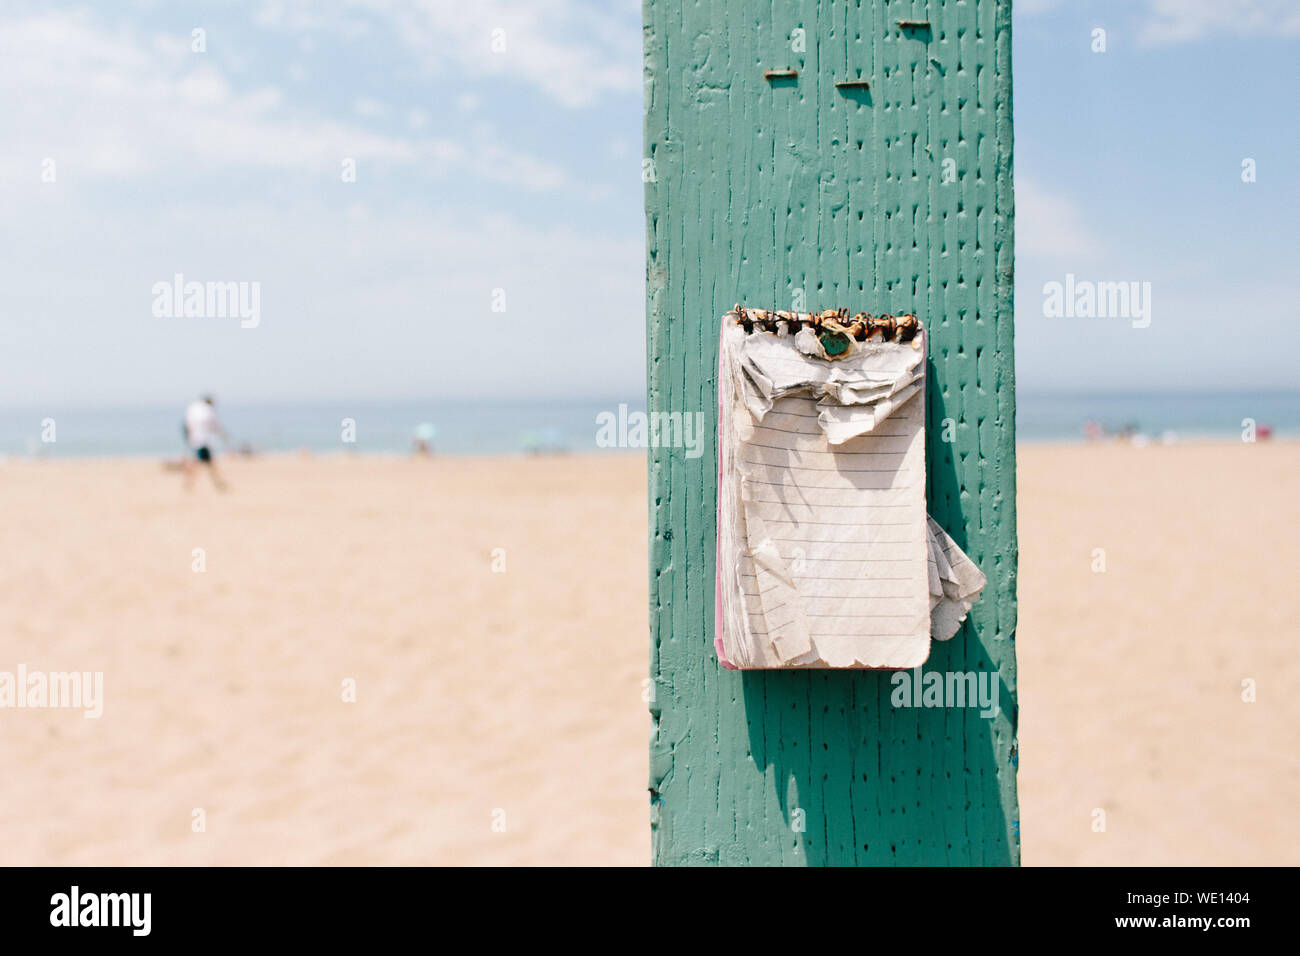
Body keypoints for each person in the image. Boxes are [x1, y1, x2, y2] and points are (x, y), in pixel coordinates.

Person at [182, 395, 229, 491]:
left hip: (195, 440)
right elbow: (214, 425)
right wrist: (223, 435)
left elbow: (187, 424)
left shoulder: (194, 408)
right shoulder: (207, 411)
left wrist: (189, 438)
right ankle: (190, 484)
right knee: (204, 463)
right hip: (203, 441)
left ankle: (190, 484)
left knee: (203, 463)